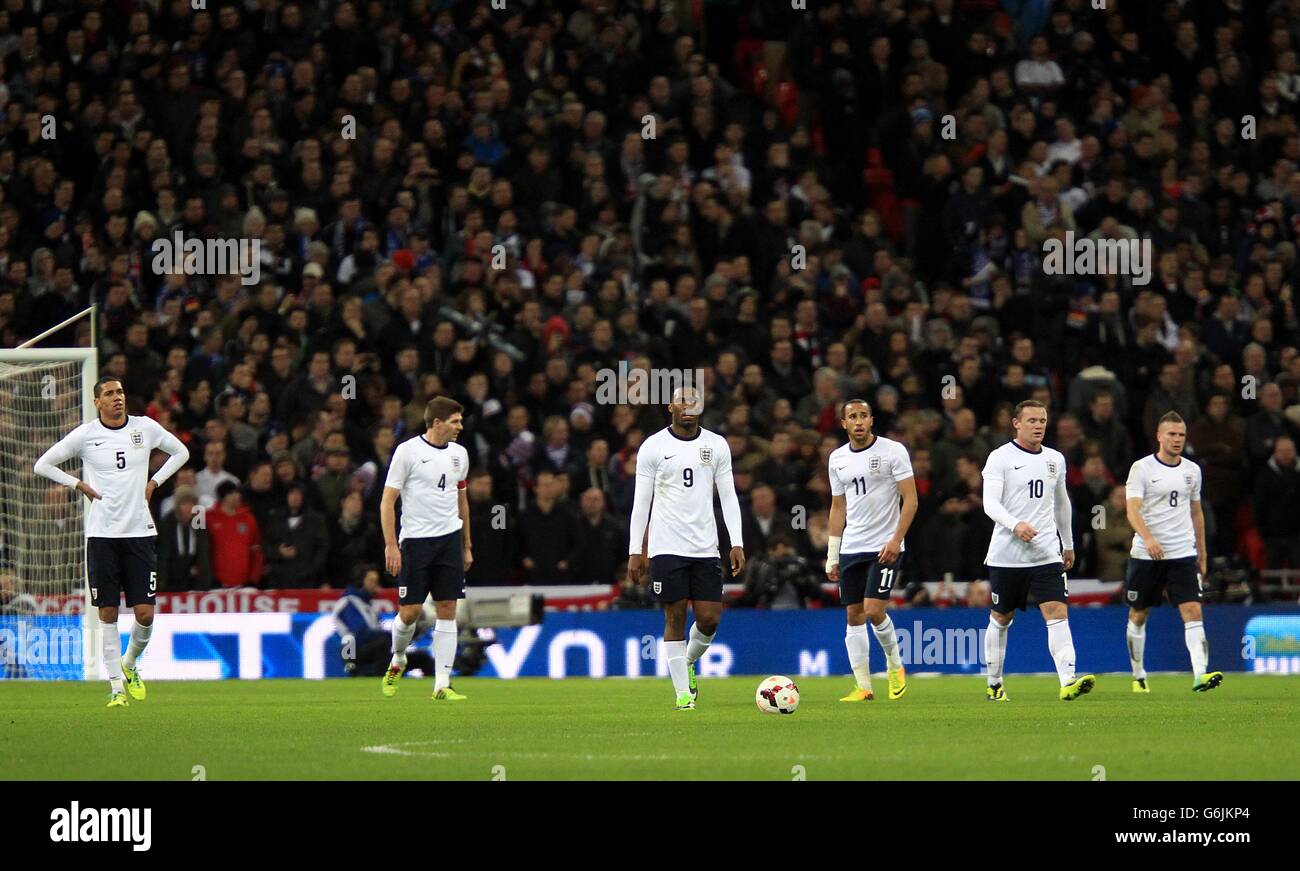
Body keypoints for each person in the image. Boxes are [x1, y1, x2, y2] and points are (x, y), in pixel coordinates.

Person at [33, 377, 190, 707]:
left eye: (120, 391)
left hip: (140, 533)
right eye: (109, 393)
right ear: (97, 403)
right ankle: (116, 688)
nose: (117, 397)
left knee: (145, 614)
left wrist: (155, 481)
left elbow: (181, 451)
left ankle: (129, 664)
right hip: (102, 535)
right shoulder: (86, 435)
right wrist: (79, 484)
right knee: (107, 611)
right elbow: (42, 465)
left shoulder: (144, 428)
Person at [627, 385, 745, 711]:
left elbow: (729, 497)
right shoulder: (653, 447)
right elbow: (641, 503)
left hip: (706, 547)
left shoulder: (716, 445)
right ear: (671, 406)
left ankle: (688, 662)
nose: (688, 406)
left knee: (709, 619)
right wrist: (635, 550)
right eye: (682, 400)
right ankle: (683, 696)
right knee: (674, 616)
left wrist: (736, 541)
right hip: (666, 547)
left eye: (694, 401)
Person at [980, 399, 1094, 702]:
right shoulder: (999, 458)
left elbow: (1061, 503)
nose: (1038, 426)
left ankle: (1068, 680)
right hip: (1007, 555)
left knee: (1057, 613)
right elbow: (990, 503)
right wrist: (1015, 524)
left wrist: (1067, 543)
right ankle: (994, 682)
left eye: (1042, 420)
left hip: (1046, 554)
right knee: (1001, 617)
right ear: (1016, 423)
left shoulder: (1055, 459)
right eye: (1031, 421)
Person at [825, 398, 918, 702]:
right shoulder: (837, 458)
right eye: (852, 416)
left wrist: (895, 540)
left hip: (885, 546)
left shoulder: (893, 451)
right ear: (844, 423)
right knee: (853, 615)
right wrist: (832, 553)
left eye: (864, 415)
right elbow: (838, 507)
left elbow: (911, 500)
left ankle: (895, 665)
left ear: (872, 419)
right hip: (853, 546)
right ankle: (863, 686)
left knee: (874, 610)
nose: (859, 421)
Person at [379, 396, 472, 701]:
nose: (460, 426)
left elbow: (462, 502)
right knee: (410, 612)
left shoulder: (460, 455)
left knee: (448, 609)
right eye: (455, 421)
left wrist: (466, 545)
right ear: (436, 423)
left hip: (448, 541)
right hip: (416, 542)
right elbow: (387, 501)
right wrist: (391, 545)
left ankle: (442, 684)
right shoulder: (407, 452)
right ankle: (398, 658)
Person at [1124, 412, 1222, 693]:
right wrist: (1149, 538)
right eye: (1171, 434)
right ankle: (1139, 675)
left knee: (1192, 610)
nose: (1177, 439)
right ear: (1159, 436)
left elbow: (1196, 512)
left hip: (1182, 553)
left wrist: (1201, 551)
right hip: (1147, 554)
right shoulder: (1141, 469)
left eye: (1181, 435)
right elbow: (1132, 509)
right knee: (1139, 614)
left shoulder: (1192, 470)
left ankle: (1200, 674)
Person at [333, 565, 432, 677]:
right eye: (371, 580)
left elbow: (376, 632)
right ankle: (382, 678)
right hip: (353, 652)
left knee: (422, 658)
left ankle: (436, 686)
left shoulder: (368, 604)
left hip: (375, 649)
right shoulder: (348, 602)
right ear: (360, 581)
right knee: (382, 644)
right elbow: (360, 634)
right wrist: (392, 636)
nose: (375, 584)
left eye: (376, 581)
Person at [156, 484, 213, 591]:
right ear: (177, 505)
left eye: (191, 503)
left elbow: (203, 553)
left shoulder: (198, 522)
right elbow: (163, 556)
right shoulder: (167, 524)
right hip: (170, 579)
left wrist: (206, 581)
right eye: (184, 503)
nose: (188, 508)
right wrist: (161, 582)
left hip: (192, 579)